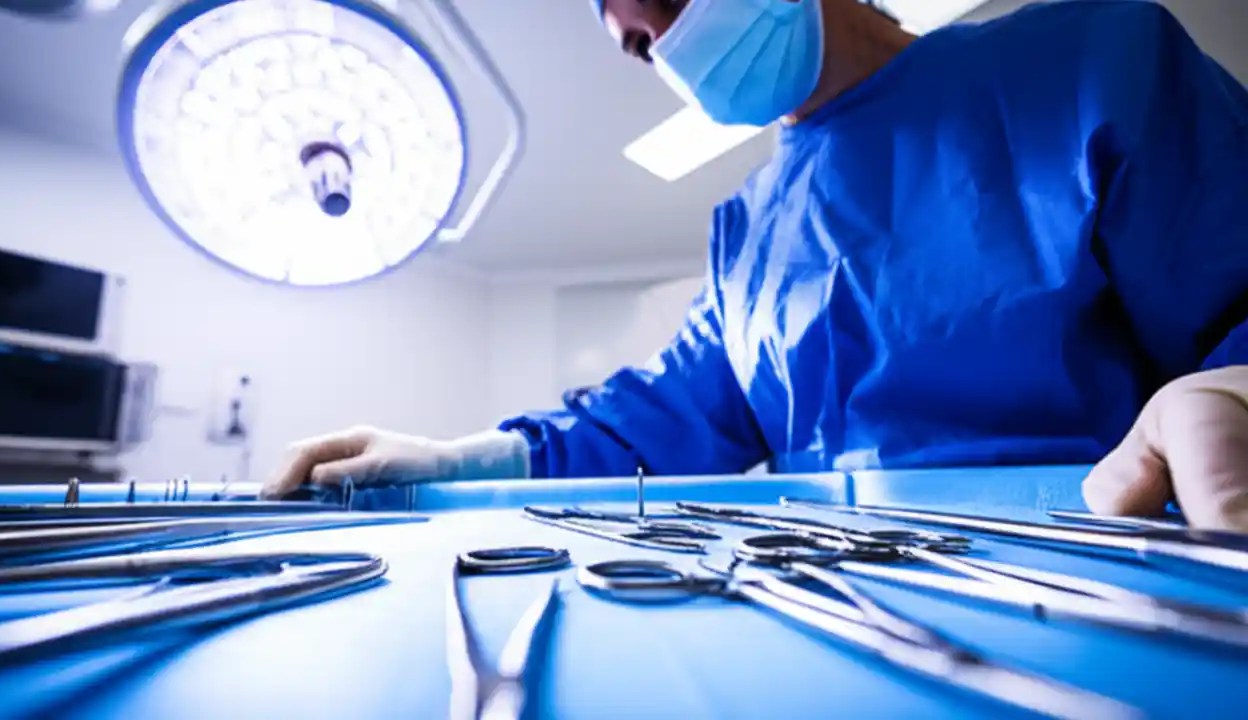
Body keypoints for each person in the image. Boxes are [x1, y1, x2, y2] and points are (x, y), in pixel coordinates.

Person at [261, 0, 1248, 530]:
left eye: (638, 6)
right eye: (632, 49)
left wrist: (1233, 390)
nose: (636, 41)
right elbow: (650, 425)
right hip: (833, 594)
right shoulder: (746, 235)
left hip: (1108, 559)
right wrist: (448, 459)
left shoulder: (1087, 66)